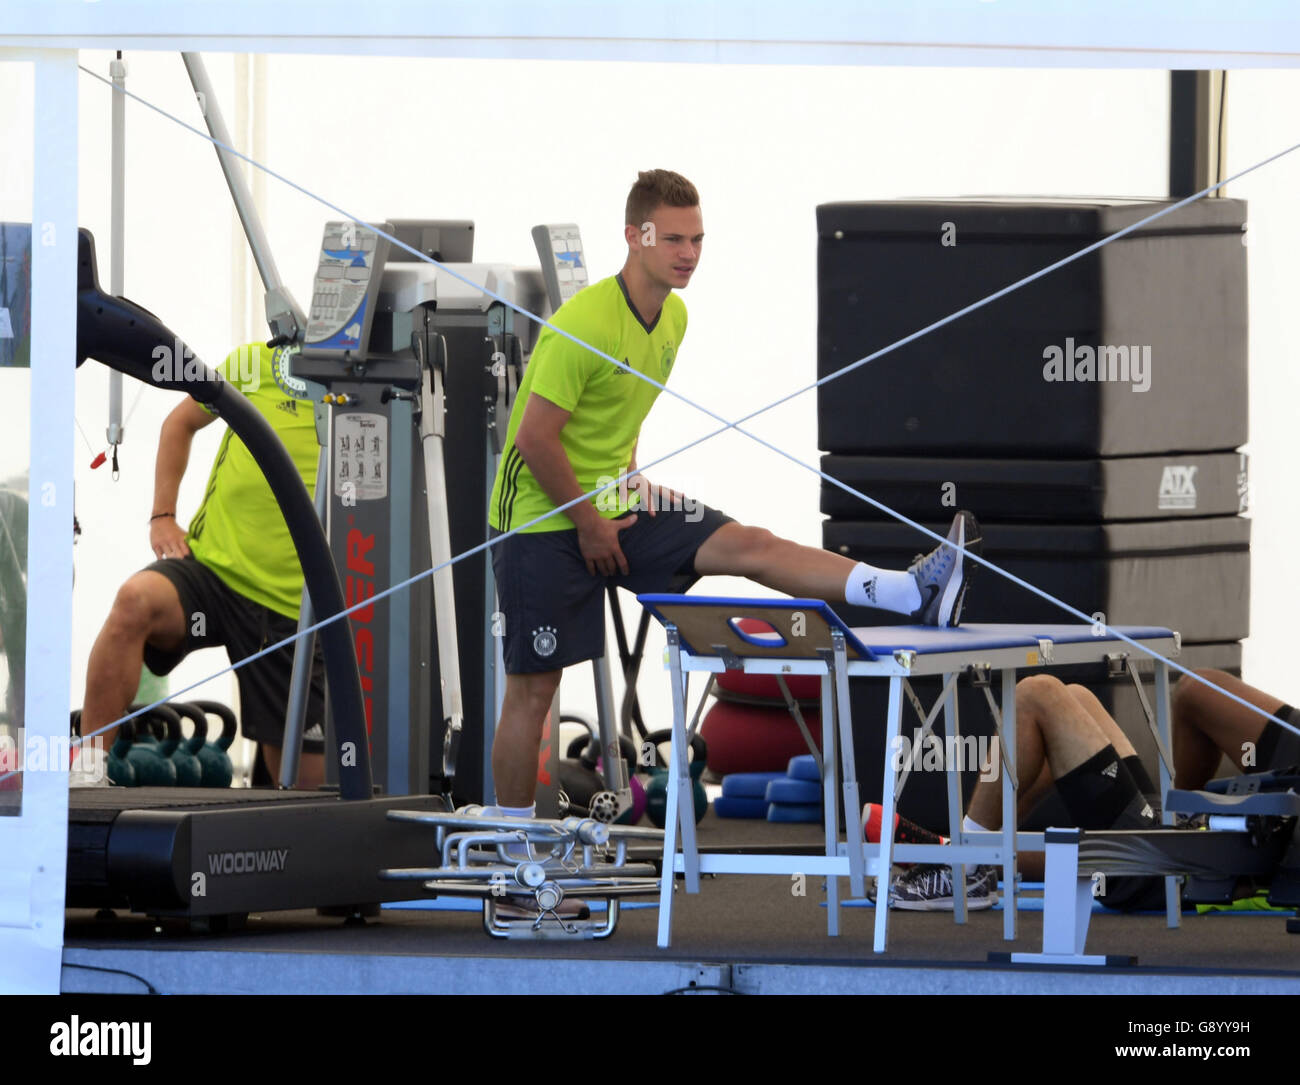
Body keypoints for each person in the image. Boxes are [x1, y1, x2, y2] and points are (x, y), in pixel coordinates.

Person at [485, 169, 980, 824]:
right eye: (674, 240)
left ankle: (906, 591)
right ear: (635, 237)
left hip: (612, 503)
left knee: (749, 543)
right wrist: (589, 524)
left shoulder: (675, 317)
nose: (688, 254)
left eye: (697, 240)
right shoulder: (585, 323)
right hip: (543, 522)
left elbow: (620, 414)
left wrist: (630, 478)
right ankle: (517, 855)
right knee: (534, 690)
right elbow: (535, 438)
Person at [81, 342, 327, 788]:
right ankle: (85, 775)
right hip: (212, 575)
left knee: (307, 792)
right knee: (134, 601)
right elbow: (180, 422)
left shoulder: (369, 389)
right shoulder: (255, 363)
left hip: (292, 609)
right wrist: (162, 516)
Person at [868, 668, 1300, 911]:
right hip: (1202, 837)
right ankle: (972, 854)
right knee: (1080, 697)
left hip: (1210, 867)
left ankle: (963, 870)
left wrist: (1185, 857)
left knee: (1039, 695)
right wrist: (1181, 826)